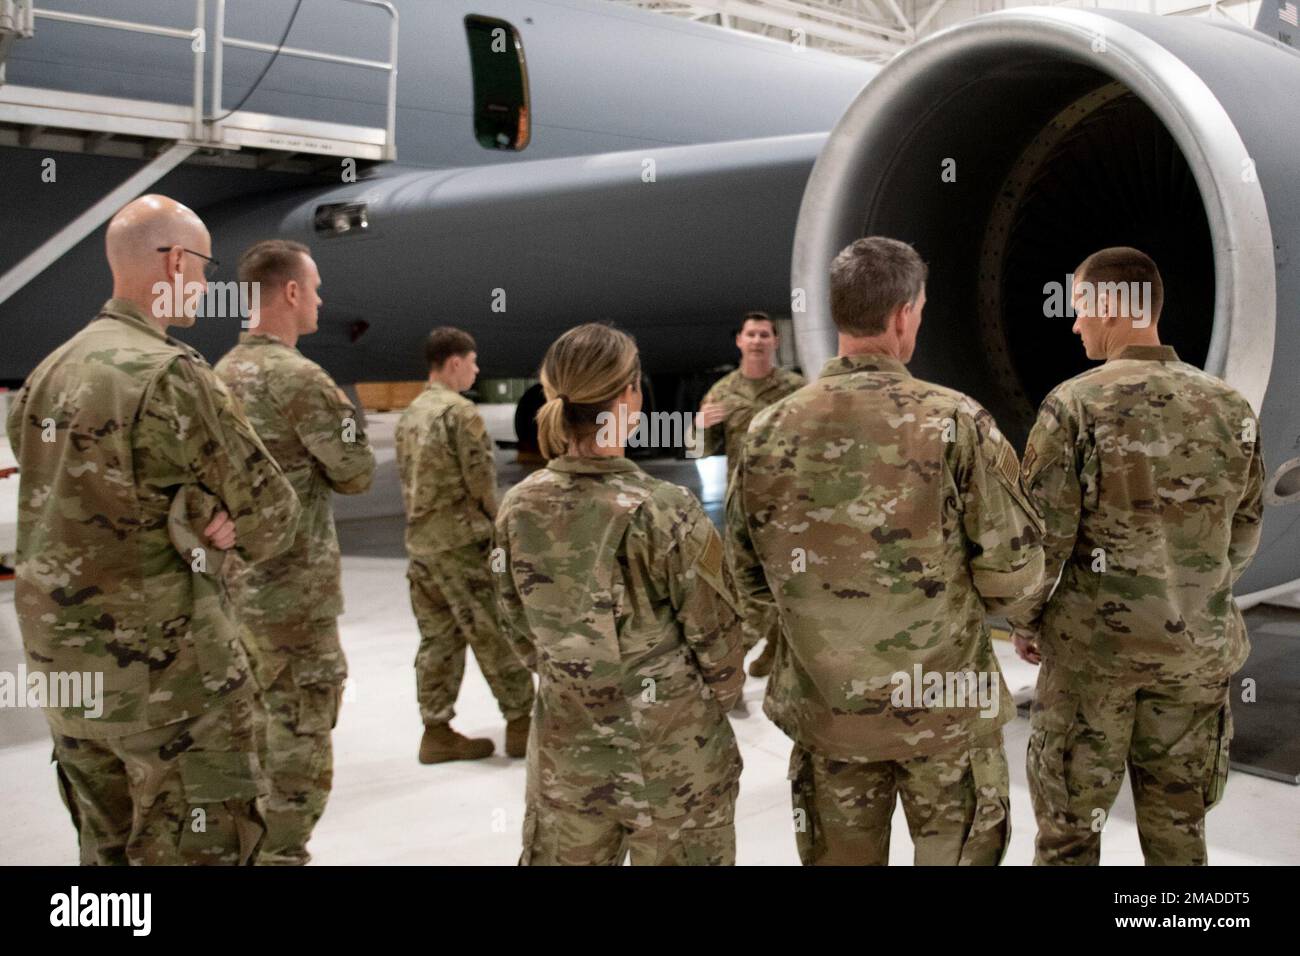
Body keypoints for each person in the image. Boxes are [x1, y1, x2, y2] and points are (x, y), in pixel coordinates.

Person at [727, 236, 1045, 866]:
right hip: (944, 717)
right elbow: (1014, 570)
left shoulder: (768, 429)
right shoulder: (955, 421)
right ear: (904, 314)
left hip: (830, 716)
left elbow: (747, 576)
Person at [6, 194, 300, 865]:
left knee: (105, 865)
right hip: (171, 685)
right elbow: (272, 517)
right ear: (173, 261)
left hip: (67, 680)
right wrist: (202, 520)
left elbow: (74, 489)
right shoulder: (172, 374)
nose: (204, 284)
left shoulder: (46, 375)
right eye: (202, 267)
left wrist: (183, 511)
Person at [1009, 247, 1264, 866]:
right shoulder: (1229, 407)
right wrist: (1193, 594)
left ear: (1110, 305)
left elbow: (1044, 539)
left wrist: (1026, 620)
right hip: (1195, 658)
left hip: (1093, 659)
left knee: (1069, 834)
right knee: (1179, 833)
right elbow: (1244, 529)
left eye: (1079, 310)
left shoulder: (1073, 406)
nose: (1075, 326)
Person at [495, 323, 745, 865]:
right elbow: (718, 639)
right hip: (673, 759)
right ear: (630, 395)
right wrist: (709, 702)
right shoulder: (665, 508)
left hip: (568, 754)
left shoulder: (518, 507)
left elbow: (516, 625)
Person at [214, 239, 375, 865]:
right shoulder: (302, 380)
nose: (320, 299)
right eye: (313, 288)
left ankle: (248, 847)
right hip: (295, 594)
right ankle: (282, 855)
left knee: (251, 725)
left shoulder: (218, 373)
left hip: (234, 591)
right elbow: (356, 470)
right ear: (288, 293)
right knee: (304, 723)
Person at [396, 327, 534, 763]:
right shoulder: (460, 414)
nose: (476, 370)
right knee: (495, 633)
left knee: (437, 638)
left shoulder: (411, 413)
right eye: (473, 362)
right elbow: (480, 483)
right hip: (462, 545)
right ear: (454, 363)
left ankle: (436, 730)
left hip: (422, 546)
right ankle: (522, 724)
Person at [697, 312, 804, 677]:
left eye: (764, 334)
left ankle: (762, 652)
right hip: (742, 505)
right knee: (743, 585)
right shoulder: (722, 392)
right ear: (739, 341)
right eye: (751, 334)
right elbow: (701, 451)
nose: (757, 340)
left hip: (788, 506)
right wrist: (697, 428)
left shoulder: (796, 389)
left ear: (776, 341)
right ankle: (741, 655)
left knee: (786, 584)